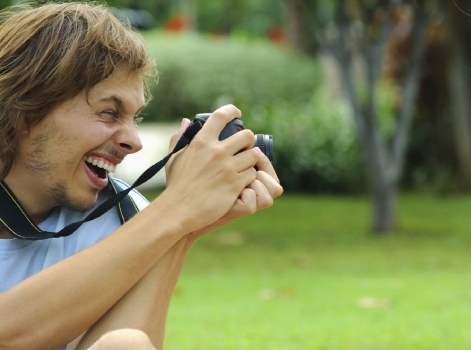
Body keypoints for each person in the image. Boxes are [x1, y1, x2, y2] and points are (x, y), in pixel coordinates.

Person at [0, 2, 283, 350]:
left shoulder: (125, 214)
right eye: (109, 113)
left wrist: (187, 225)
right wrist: (177, 208)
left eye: (135, 118)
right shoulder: (154, 221)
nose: (132, 141)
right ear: (23, 111)